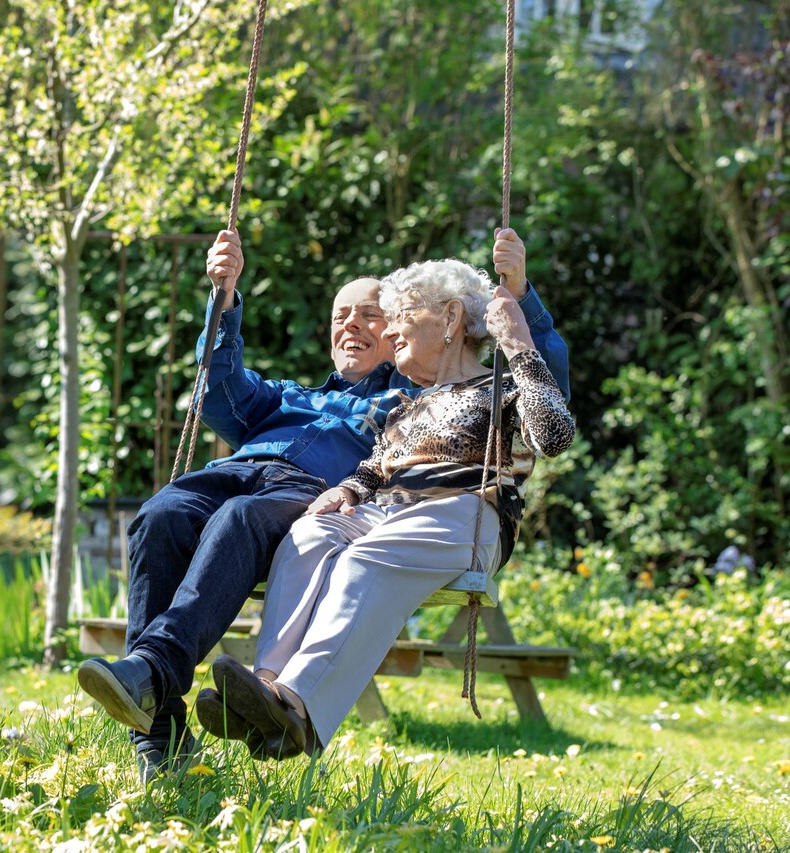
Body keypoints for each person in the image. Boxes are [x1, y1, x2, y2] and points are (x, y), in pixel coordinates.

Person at [77, 228, 570, 784]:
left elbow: (545, 394)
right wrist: (223, 298)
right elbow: (220, 394)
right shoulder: (296, 398)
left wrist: (520, 304)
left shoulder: (406, 395)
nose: (357, 324)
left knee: (253, 523)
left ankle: (278, 704)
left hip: (338, 499)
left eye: (377, 315)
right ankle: (186, 711)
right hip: (259, 478)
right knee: (162, 514)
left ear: (442, 322)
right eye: (342, 315)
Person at [196, 257, 576, 759]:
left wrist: (520, 343)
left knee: (363, 559)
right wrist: (348, 490)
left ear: (451, 317)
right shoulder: (406, 404)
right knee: (310, 534)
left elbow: (554, 435)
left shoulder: (502, 388)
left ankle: (297, 708)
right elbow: (379, 465)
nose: (391, 328)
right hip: (391, 513)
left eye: (403, 314)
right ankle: (264, 687)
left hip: (466, 510)